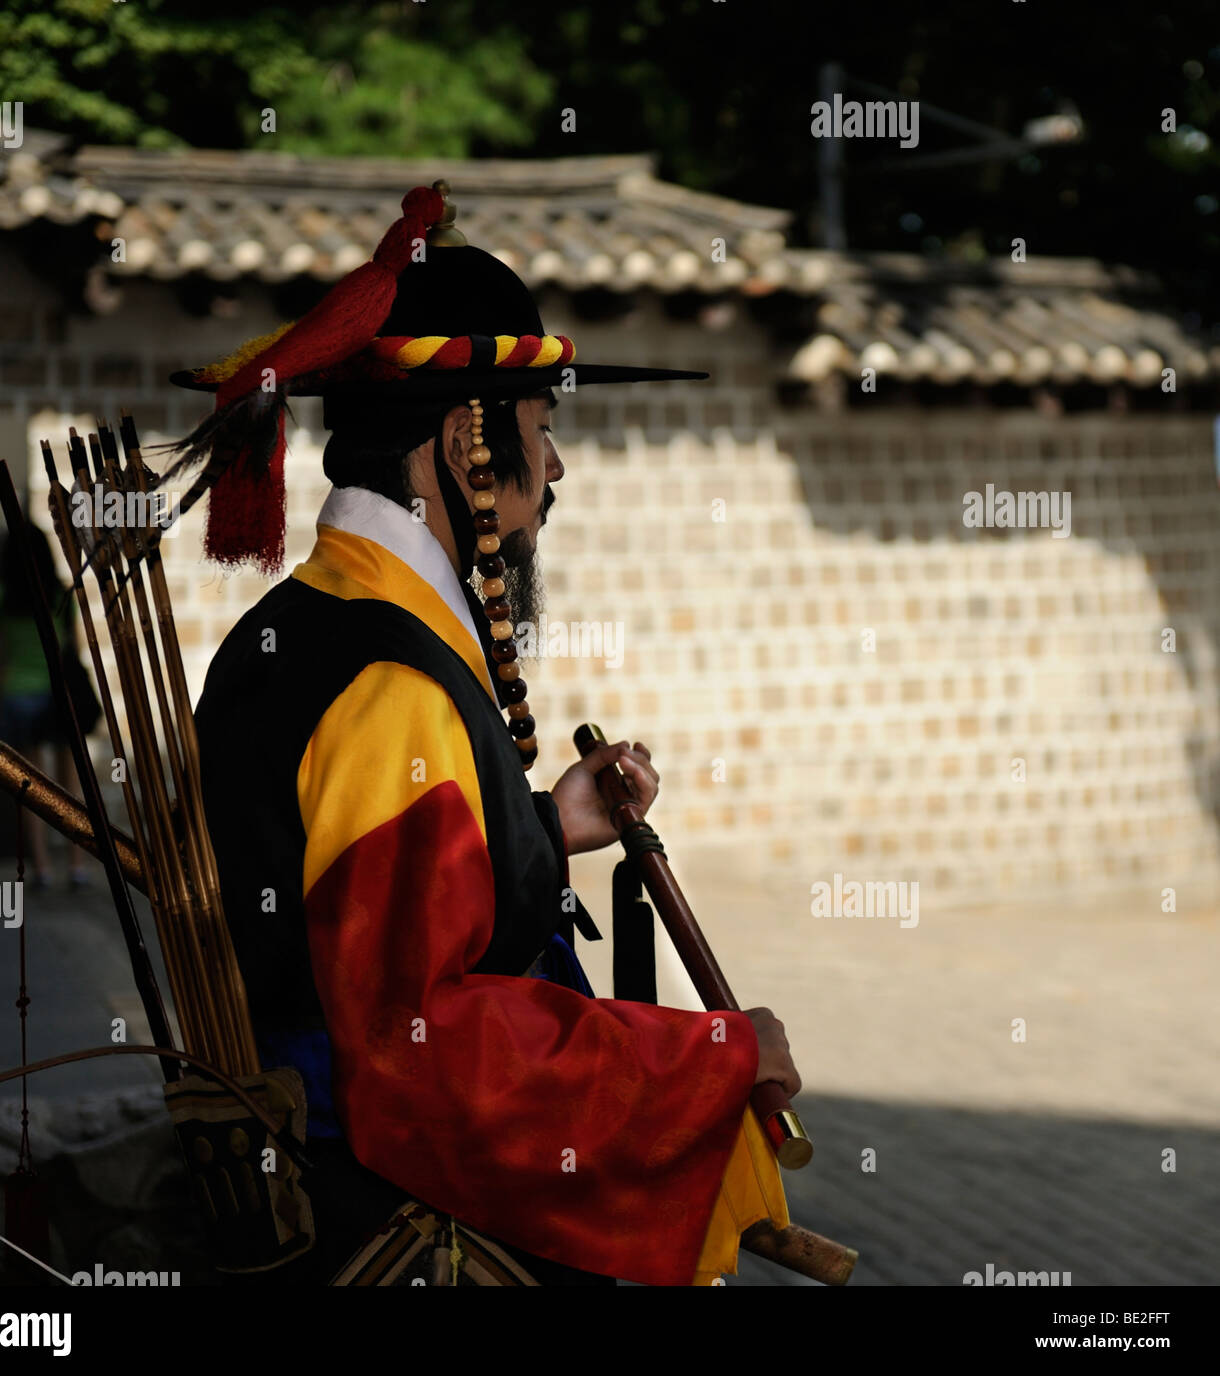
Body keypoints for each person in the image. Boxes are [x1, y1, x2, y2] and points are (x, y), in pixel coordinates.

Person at [178, 183, 801, 1285]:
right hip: (373, 1190)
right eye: (542, 430)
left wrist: (541, 826)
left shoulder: (301, 626)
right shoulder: (388, 682)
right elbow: (421, 1046)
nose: (552, 472)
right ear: (466, 440)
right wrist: (711, 1057)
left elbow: (382, 893)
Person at [0, 524, 88, 888]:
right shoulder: (60, 594)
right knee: (71, 787)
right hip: (58, 695)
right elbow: (73, 648)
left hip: (18, 694)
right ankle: (76, 866)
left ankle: (41, 868)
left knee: (31, 788)